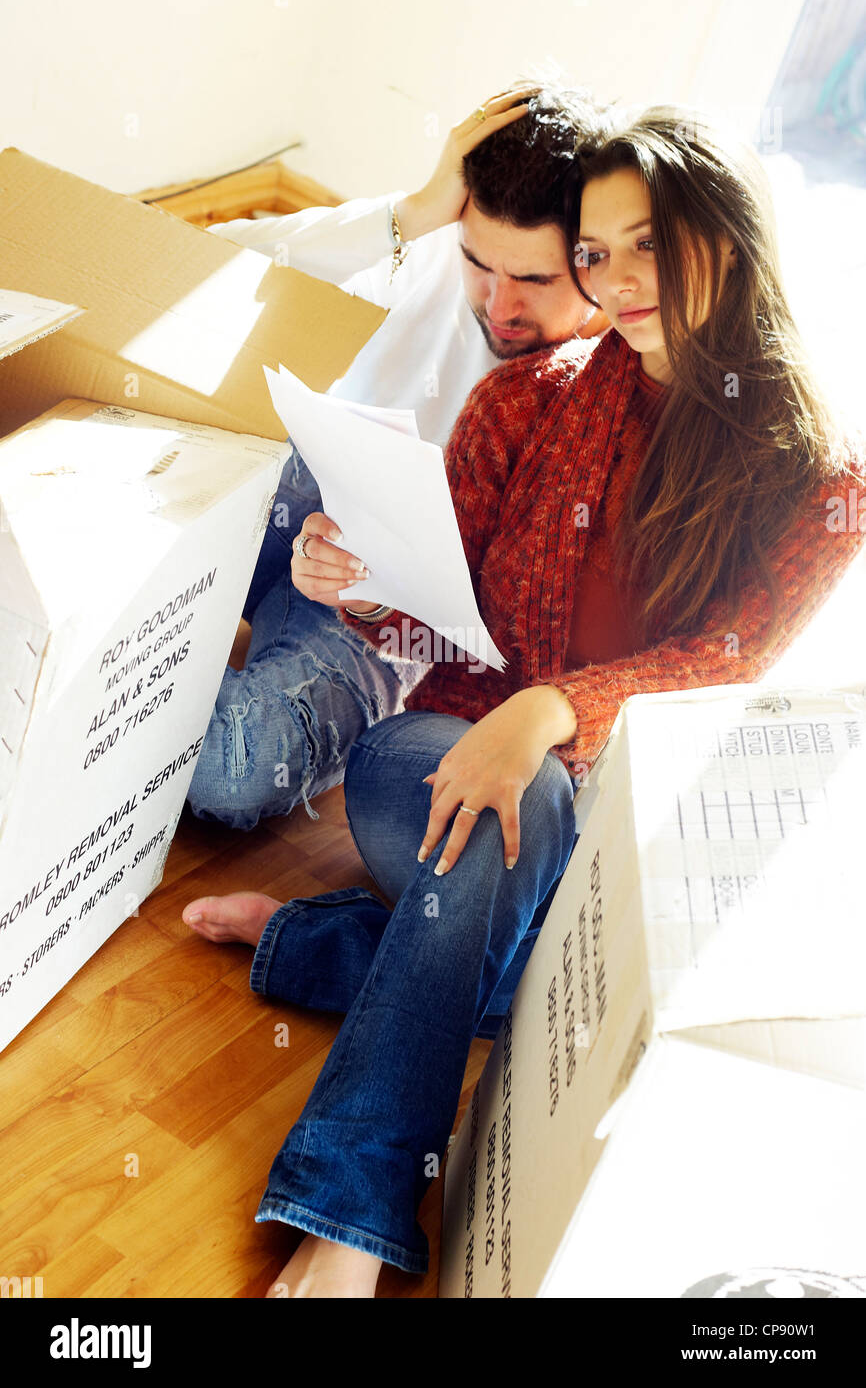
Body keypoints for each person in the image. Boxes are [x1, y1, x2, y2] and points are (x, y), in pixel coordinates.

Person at [182, 105, 866, 1297]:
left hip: (597, 838)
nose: (613, 277)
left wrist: (546, 708)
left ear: (724, 233)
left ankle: (324, 940)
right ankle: (348, 1215)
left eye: (641, 240)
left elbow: (727, 661)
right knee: (512, 824)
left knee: (531, 929)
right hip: (431, 768)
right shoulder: (526, 400)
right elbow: (427, 613)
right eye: (594, 252)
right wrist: (338, 581)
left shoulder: (825, 481)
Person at [186, 84, 608, 829]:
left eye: (536, 280)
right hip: (296, 479)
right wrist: (412, 214)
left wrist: (373, 591)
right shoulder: (438, 245)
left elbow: (499, 634)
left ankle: (89, 708)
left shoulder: (614, 386)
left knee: (237, 769)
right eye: (483, 263)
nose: (500, 305)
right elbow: (197, 265)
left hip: (384, 606)